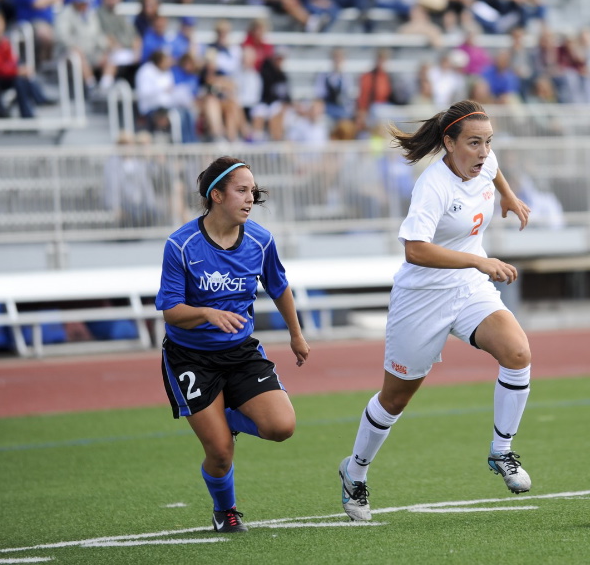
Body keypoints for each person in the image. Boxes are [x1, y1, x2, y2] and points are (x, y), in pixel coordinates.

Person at [337, 99, 534, 522]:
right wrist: (480, 260)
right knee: (394, 399)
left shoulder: (485, 160)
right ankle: (355, 471)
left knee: (517, 353)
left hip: (467, 288)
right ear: (449, 142)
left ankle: (502, 451)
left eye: (488, 142)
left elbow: (495, 170)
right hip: (421, 298)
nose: (483, 152)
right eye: (474, 143)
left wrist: (510, 198)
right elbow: (415, 250)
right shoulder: (433, 185)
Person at [155, 155, 310, 533]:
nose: (250, 199)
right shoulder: (181, 245)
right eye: (241, 190)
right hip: (189, 357)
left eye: (252, 192)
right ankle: (225, 511)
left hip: (240, 353)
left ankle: (223, 416)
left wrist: (296, 333)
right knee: (220, 453)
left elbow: (279, 286)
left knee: (282, 426)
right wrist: (207, 313)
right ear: (217, 195)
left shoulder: (260, 240)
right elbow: (171, 312)